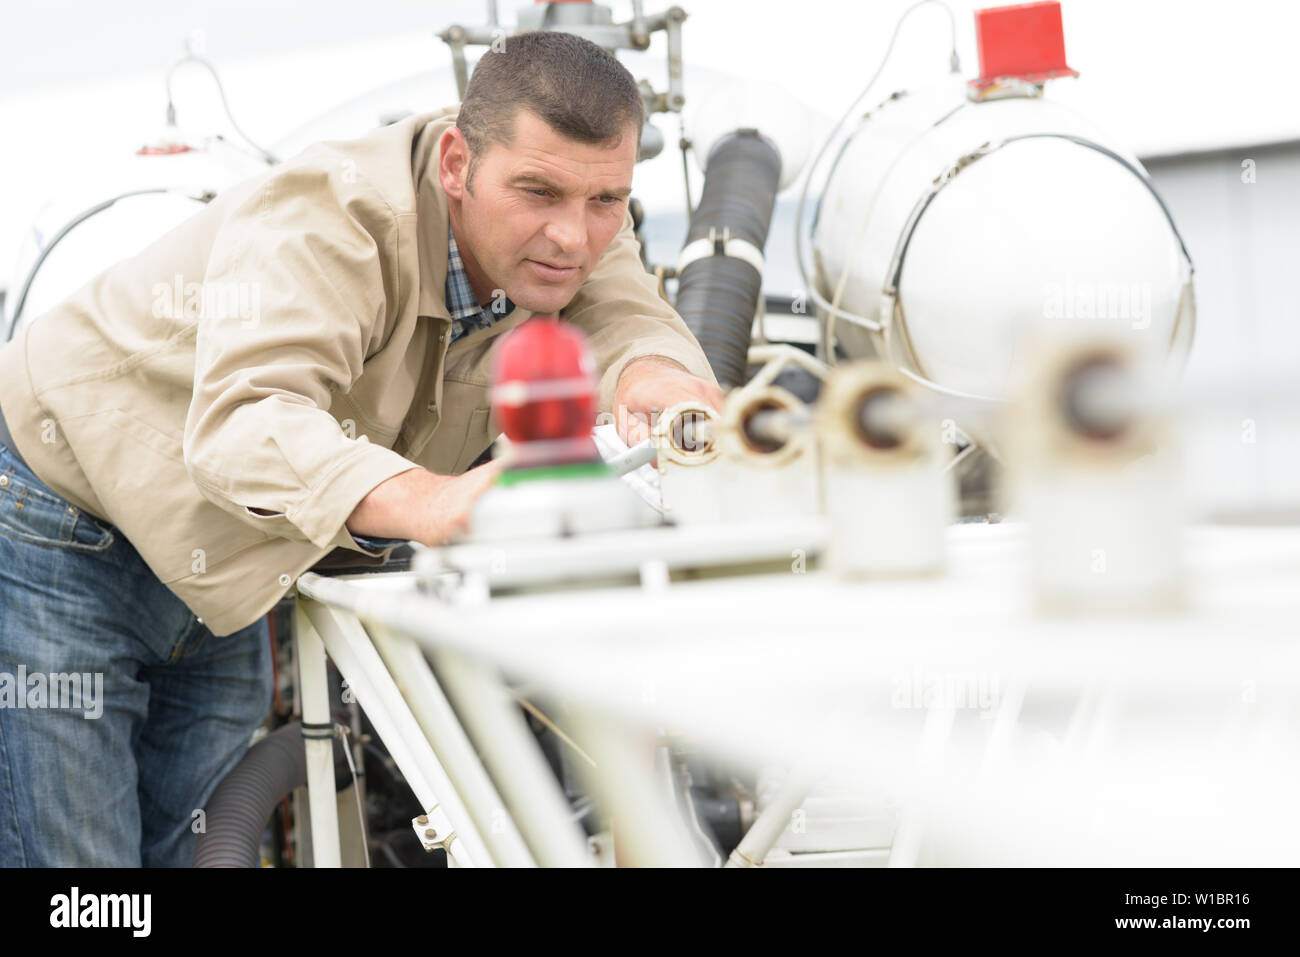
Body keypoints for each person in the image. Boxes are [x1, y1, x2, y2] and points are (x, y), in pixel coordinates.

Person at [0, 30, 724, 866]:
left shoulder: (576, 224)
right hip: (62, 521)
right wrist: (435, 500)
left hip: (227, 549)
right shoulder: (329, 220)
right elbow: (247, 417)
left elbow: (624, 310)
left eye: (606, 199)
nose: (573, 235)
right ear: (456, 163)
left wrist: (659, 375)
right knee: (78, 874)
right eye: (538, 191)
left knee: (191, 848)